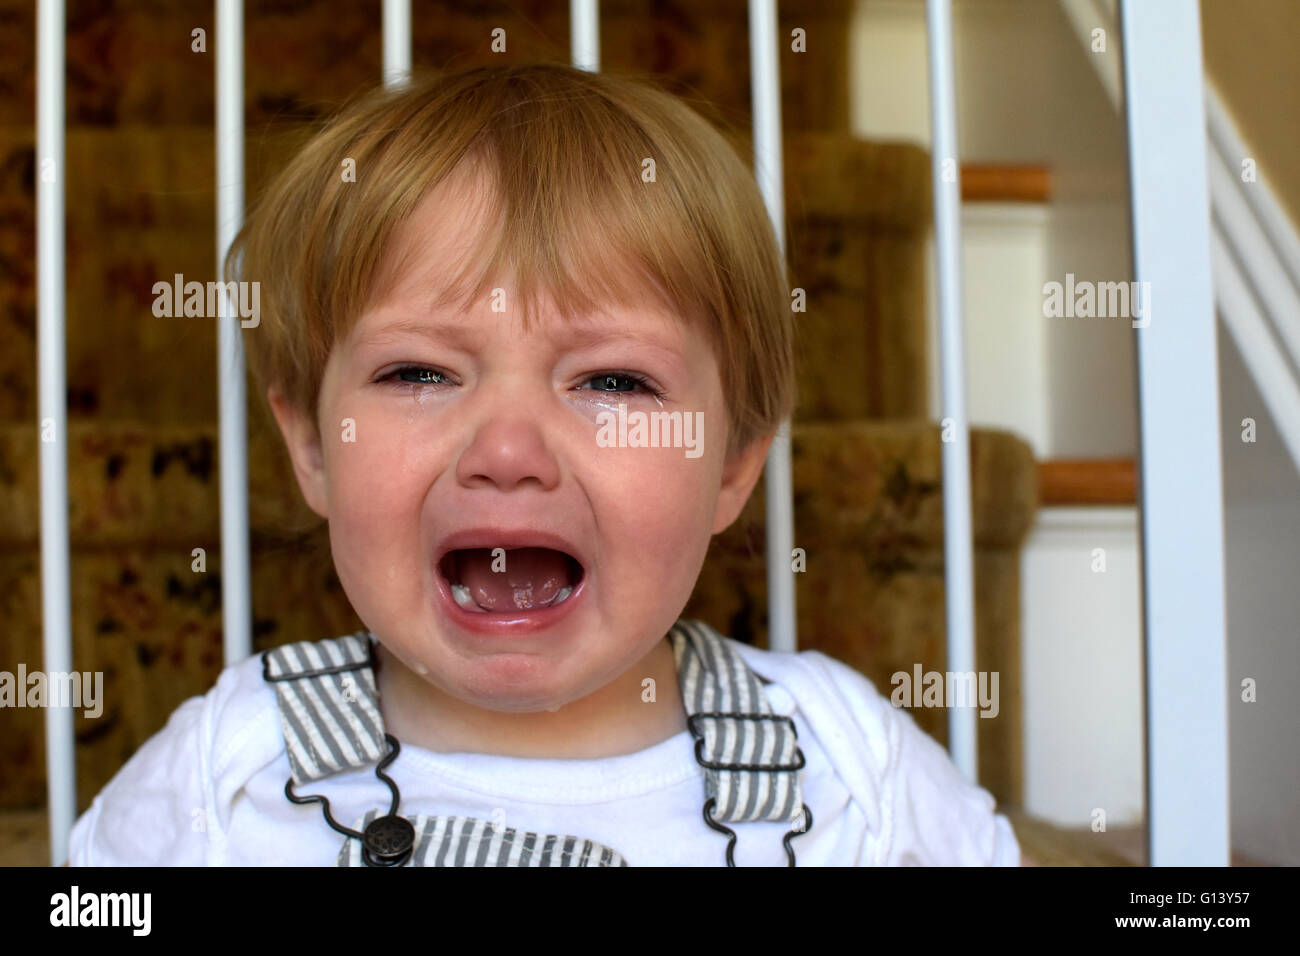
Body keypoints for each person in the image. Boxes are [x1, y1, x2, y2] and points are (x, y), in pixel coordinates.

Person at [68, 62, 1022, 866]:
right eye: (418, 371)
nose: (508, 453)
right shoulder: (228, 773)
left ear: (733, 467)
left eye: (612, 382)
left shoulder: (844, 766)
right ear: (312, 448)